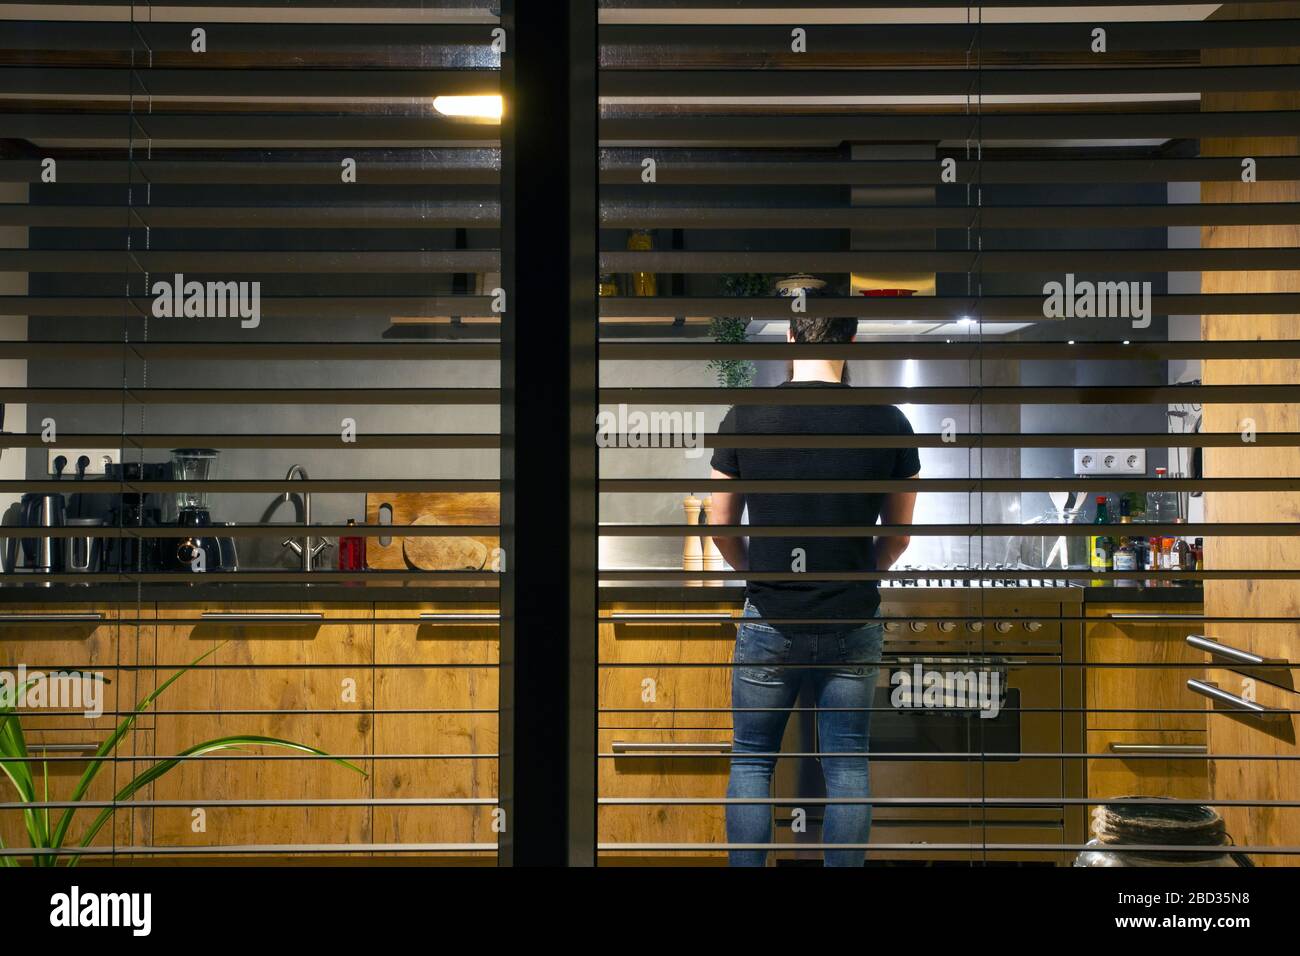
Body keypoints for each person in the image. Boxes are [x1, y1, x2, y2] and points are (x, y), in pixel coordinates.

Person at [709, 315, 920, 867]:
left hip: (770, 618)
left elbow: (720, 524)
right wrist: (858, 575)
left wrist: (761, 571)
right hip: (852, 620)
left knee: (753, 761)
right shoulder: (888, 422)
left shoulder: (746, 417)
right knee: (847, 763)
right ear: (851, 340)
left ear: (790, 337)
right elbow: (897, 537)